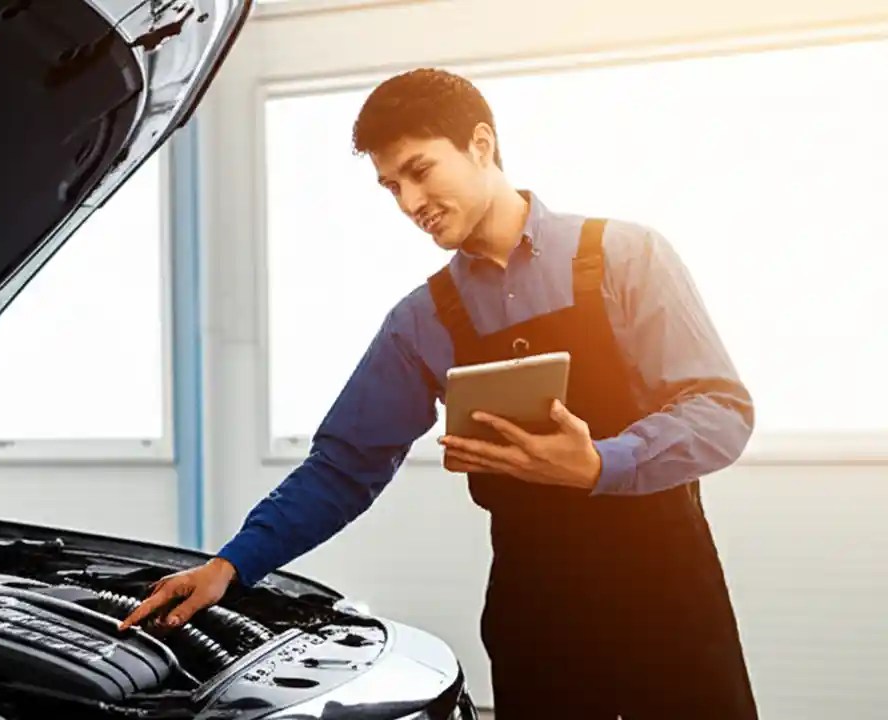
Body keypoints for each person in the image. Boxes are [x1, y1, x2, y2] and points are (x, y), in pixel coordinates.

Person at [118, 68, 758, 719]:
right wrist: (232, 565)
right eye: (391, 184)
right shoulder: (422, 320)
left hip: (667, 594)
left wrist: (599, 463)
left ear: (481, 144)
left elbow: (721, 412)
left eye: (420, 170)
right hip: (540, 614)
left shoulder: (626, 257)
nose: (407, 200)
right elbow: (344, 468)